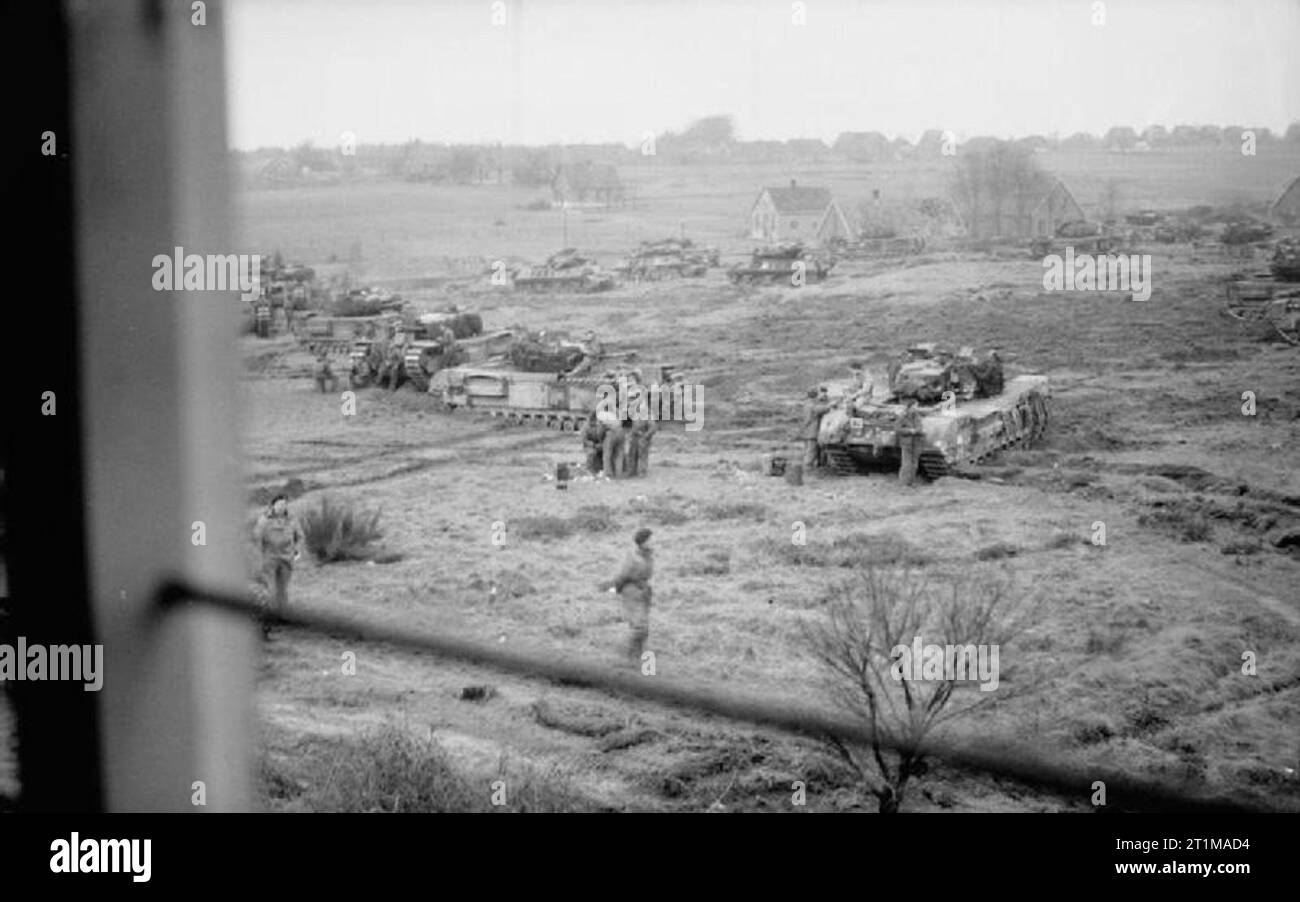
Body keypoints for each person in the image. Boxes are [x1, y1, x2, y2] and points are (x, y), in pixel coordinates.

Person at [599, 528, 654, 665]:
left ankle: (643, 665)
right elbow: (622, 576)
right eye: (650, 540)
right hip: (632, 592)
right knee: (639, 628)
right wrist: (613, 588)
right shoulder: (633, 558)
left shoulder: (648, 556)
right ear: (643, 542)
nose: (653, 542)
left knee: (644, 629)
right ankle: (626, 659)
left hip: (644, 593)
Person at [254, 494, 305, 619]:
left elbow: (300, 536)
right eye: (279, 504)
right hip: (269, 558)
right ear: (273, 505)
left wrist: (297, 550)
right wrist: (259, 556)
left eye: (284, 504)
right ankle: (269, 618)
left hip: (286, 558)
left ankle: (283, 616)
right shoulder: (264, 520)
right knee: (271, 590)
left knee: (283, 590)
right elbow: (257, 538)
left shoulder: (292, 519)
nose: (282, 507)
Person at [801, 386, 832, 471]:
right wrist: (831, 405)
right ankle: (807, 467)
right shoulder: (811, 405)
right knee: (811, 451)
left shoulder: (807, 403)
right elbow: (821, 409)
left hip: (808, 430)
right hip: (812, 431)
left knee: (809, 449)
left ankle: (816, 464)